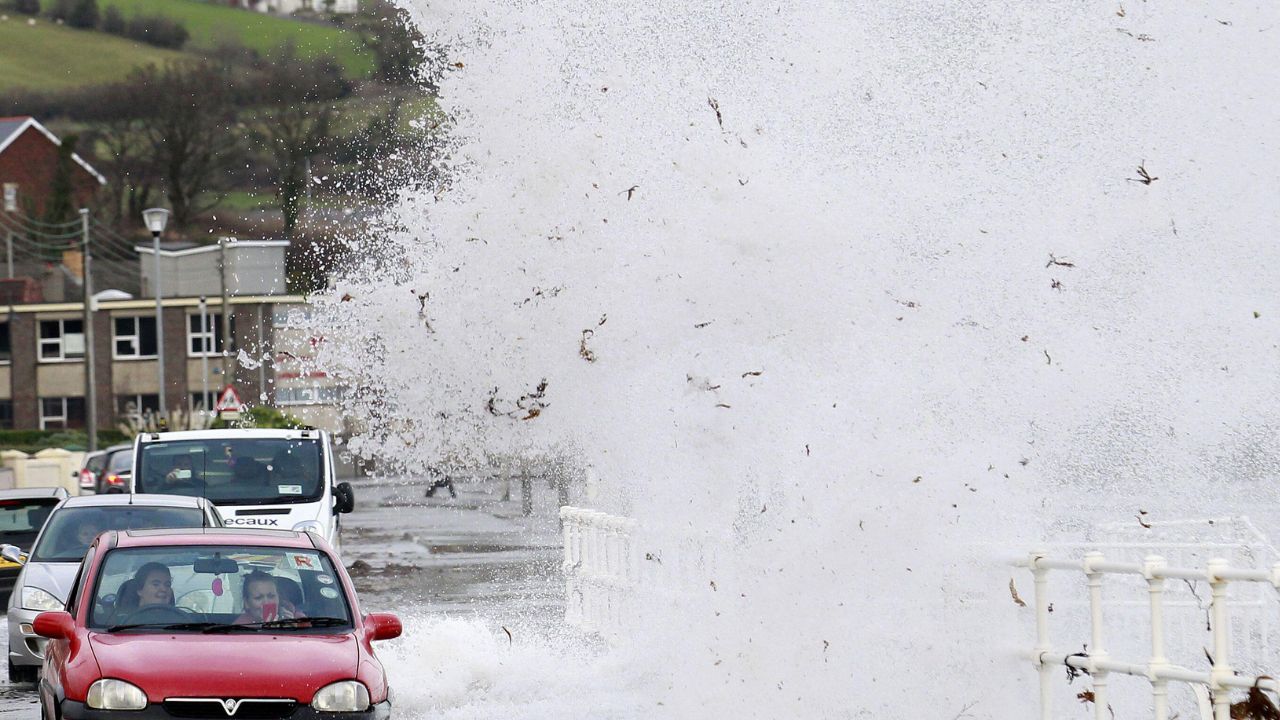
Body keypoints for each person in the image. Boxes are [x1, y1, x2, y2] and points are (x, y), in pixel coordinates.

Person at [107, 562, 174, 623]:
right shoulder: (119, 624)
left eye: (167, 585)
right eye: (156, 584)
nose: (164, 589)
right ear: (140, 590)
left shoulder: (181, 620)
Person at [234, 571, 302, 624]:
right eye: (258, 598)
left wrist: (292, 628)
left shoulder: (298, 619)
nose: (266, 602)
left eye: (271, 596)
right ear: (247, 603)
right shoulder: (239, 627)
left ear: (278, 597)